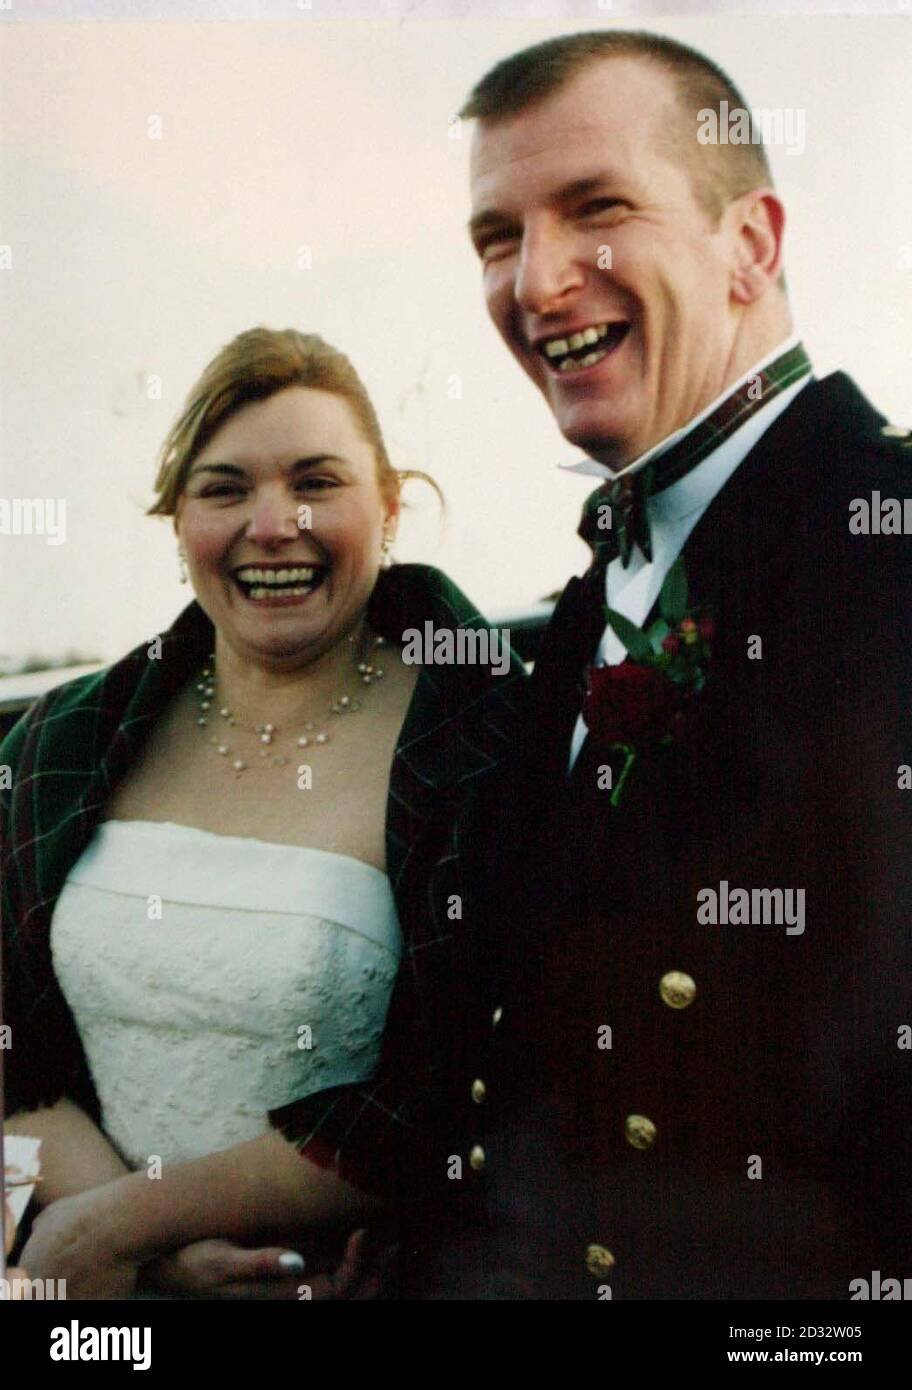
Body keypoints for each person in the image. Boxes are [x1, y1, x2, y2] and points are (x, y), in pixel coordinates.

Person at [301, 31, 912, 1299]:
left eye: (599, 210)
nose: (537, 282)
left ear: (752, 243)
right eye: (495, 237)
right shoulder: (588, 601)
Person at [0, 326, 525, 1299]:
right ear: (178, 521)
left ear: (391, 507)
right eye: (226, 488)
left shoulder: (486, 742)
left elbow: (456, 1081)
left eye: (317, 482)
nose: (273, 523)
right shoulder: (58, 748)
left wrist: (121, 1225)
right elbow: (9, 1051)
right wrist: (148, 1251)